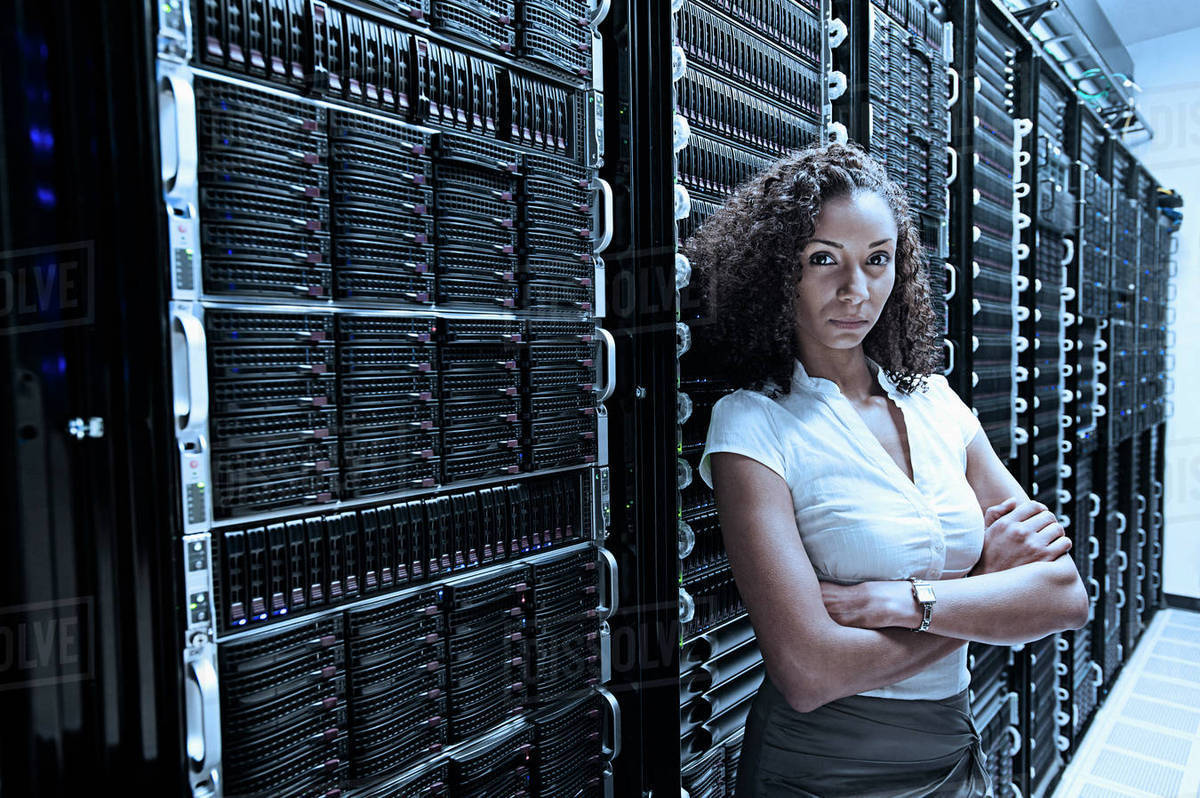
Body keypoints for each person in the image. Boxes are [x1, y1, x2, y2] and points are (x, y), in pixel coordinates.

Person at [687, 141, 1089, 797]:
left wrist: (900, 602)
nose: (857, 291)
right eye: (824, 259)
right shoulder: (753, 423)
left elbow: (1065, 596)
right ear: (776, 272)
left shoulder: (939, 404)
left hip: (950, 746)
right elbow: (810, 673)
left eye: (877, 260)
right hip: (821, 765)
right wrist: (986, 588)